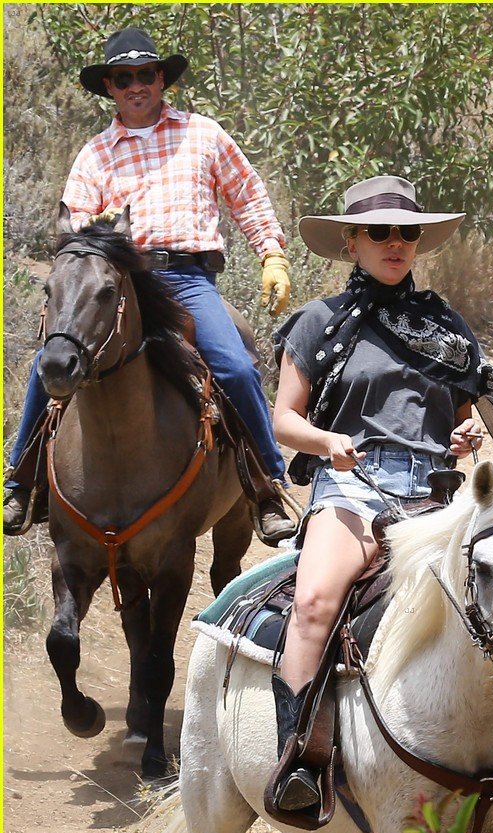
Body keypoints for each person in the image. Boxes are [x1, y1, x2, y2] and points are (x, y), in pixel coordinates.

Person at [264, 174, 493, 833]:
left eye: (407, 232)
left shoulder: (444, 326)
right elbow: (284, 419)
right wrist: (327, 441)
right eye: (379, 232)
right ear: (351, 243)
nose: (395, 243)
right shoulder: (317, 323)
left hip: (436, 495)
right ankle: (300, 759)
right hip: (351, 488)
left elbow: (460, 415)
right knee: (314, 604)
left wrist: (464, 434)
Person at [3, 27, 294, 544]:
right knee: (51, 359)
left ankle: (266, 485)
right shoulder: (95, 154)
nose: (135, 85)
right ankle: (22, 483)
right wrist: (94, 230)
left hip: (187, 278)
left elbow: (247, 195)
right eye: (123, 78)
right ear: (109, 87)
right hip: (121, 281)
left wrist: (271, 254)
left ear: (161, 79)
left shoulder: (203, 134)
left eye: (144, 74)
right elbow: (75, 225)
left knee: (235, 365)